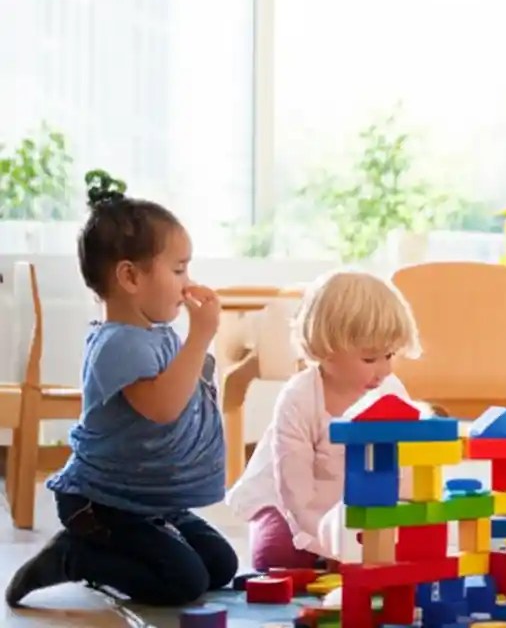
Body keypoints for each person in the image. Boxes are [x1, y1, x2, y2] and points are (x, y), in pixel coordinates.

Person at [6, 171, 236, 608]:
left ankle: (146, 538)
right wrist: (201, 336)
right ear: (130, 277)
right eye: (179, 269)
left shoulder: (157, 333)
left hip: (143, 500)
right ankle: (76, 556)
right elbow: (164, 407)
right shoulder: (118, 343)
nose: (189, 282)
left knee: (220, 565)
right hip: (99, 505)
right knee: (183, 582)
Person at [225, 269, 428, 570]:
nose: (384, 370)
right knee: (277, 557)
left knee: (401, 553)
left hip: (354, 504)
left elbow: (405, 468)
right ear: (326, 351)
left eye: (390, 355)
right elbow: (295, 492)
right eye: (370, 359)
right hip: (288, 503)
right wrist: (330, 544)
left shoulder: (391, 390)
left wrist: (403, 518)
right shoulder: (300, 398)